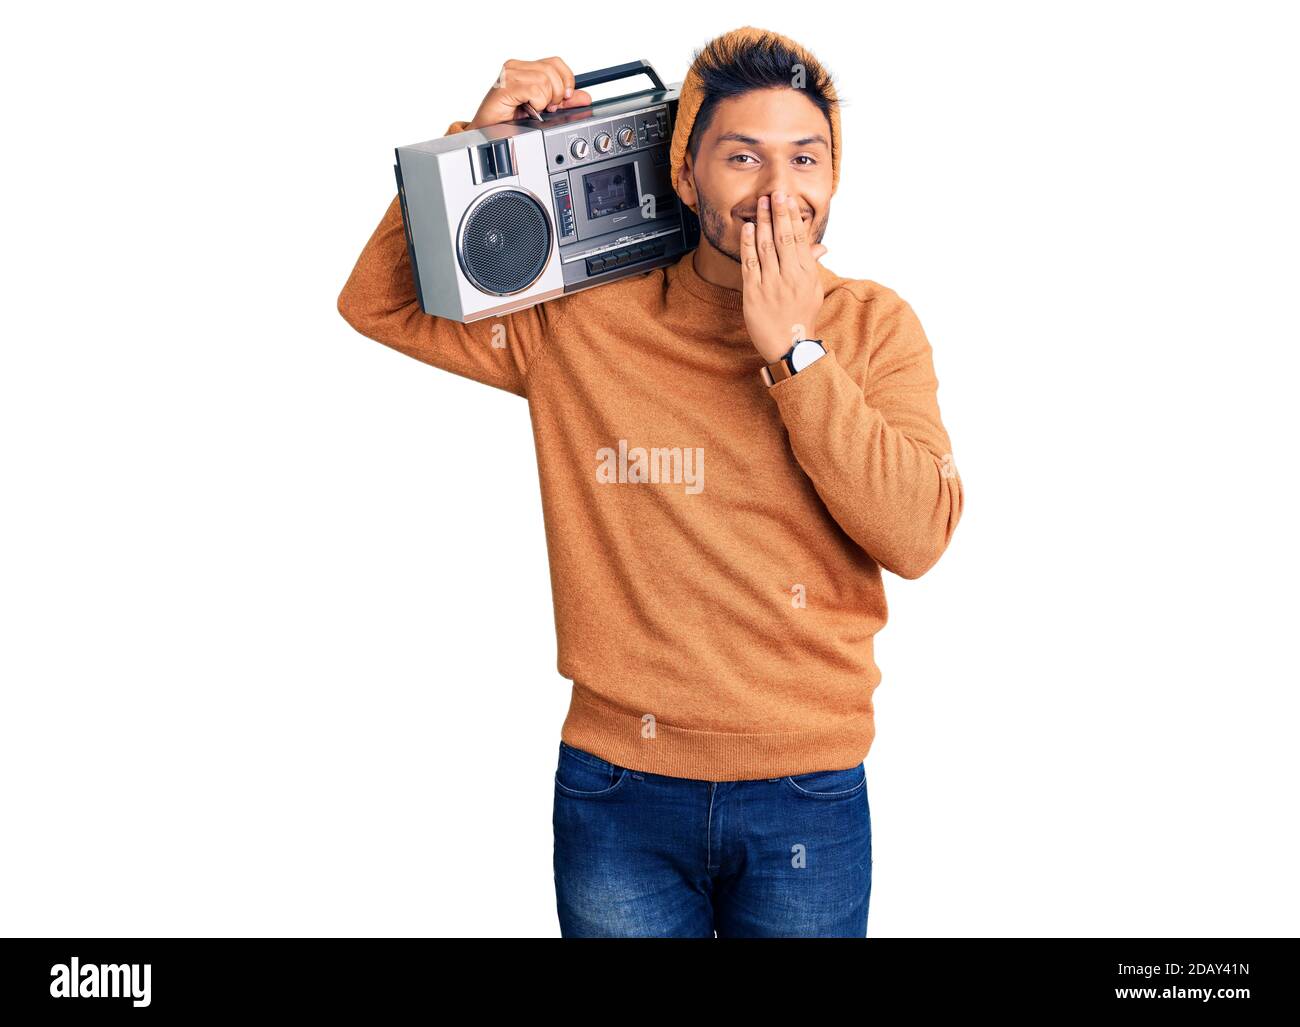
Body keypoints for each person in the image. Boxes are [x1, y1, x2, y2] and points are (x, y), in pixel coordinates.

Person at [337, 25, 963, 938]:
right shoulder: (581, 320)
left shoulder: (873, 328)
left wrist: (796, 352)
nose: (777, 192)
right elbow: (378, 303)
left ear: (835, 179)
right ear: (684, 171)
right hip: (618, 787)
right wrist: (477, 155)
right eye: (742, 157)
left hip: (809, 788)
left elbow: (918, 535)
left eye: (806, 160)